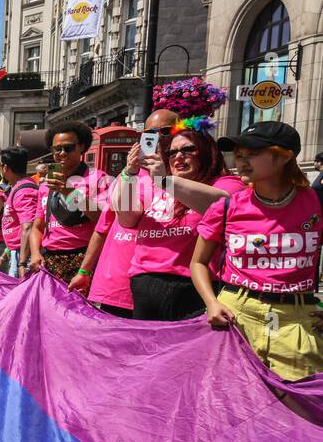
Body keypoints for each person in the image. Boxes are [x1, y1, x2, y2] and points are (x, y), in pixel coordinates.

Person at [191, 121, 323, 381]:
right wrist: (211, 303)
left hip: (297, 320)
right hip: (234, 316)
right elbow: (197, 263)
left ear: (284, 156)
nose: (242, 162)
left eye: (252, 154)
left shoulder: (316, 202)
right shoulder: (226, 207)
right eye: (239, 155)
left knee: (299, 411)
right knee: (229, 404)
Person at [110, 118, 241, 321]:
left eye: (188, 150)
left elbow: (222, 206)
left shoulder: (225, 183)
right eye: (172, 152)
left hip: (192, 287)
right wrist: (130, 172)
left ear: (207, 152)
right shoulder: (156, 185)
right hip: (145, 284)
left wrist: (165, 181)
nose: (178, 157)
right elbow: (127, 219)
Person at [70, 109, 179, 316]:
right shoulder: (127, 176)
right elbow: (103, 227)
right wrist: (84, 271)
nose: (158, 138)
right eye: (150, 133)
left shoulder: (186, 179)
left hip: (157, 288)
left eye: (166, 131)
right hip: (115, 285)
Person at [29, 121, 112, 283]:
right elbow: (37, 227)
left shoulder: (98, 179)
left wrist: (68, 191)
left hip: (84, 260)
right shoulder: (46, 184)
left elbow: (103, 219)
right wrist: (35, 253)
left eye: (68, 148)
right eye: (56, 149)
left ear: (81, 147)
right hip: (50, 260)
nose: (62, 153)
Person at [0, 147, 38, 277]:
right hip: (16, 253)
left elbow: (28, 227)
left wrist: (22, 263)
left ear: (5, 167)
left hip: (23, 255)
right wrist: (3, 257)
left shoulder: (23, 191)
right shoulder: (18, 187)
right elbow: (16, 230)